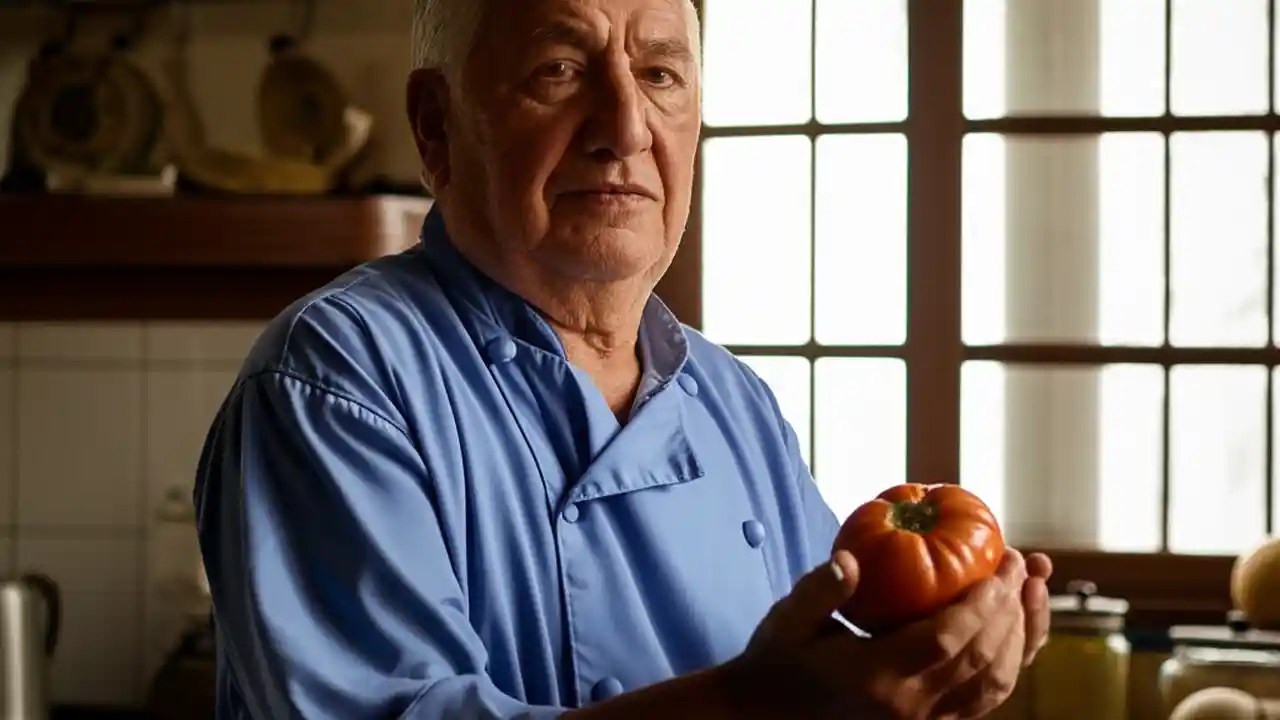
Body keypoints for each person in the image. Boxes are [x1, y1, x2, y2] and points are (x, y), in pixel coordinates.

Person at [193, 0, 1055, 717]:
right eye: (560, 71)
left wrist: (933, 662)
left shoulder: (733, 402)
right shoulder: (339, 379)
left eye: (660, 74)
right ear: (436, 126)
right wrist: (754, 708)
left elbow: (829, 665)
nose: (625, 127)